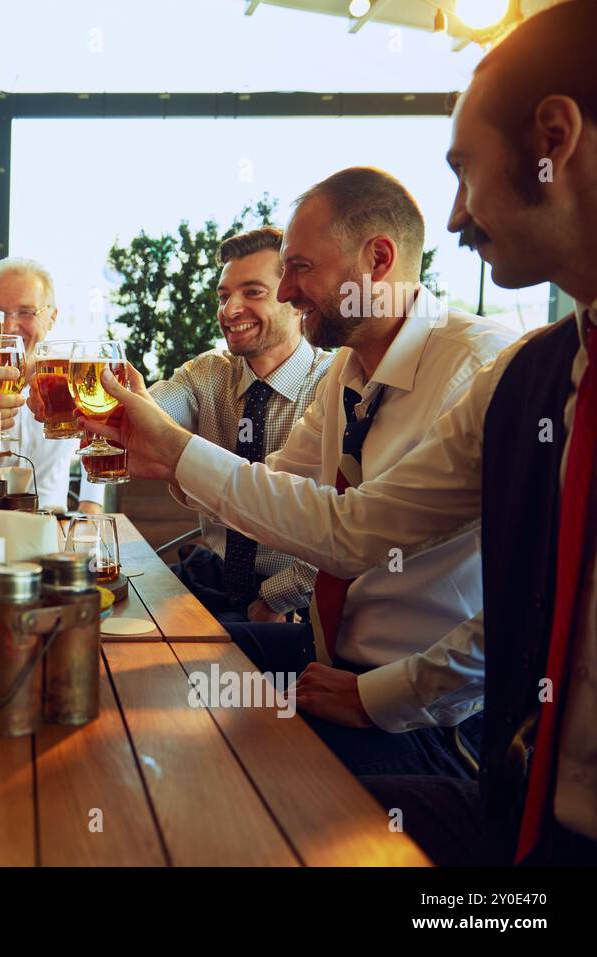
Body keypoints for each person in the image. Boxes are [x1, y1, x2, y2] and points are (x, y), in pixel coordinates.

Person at [82, 167, 516, 779]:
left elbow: (355, 536)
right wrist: (165, 459)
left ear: (378, 259)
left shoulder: (480, 367)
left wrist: (384, 697)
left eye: (299, 268)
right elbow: (280, 494)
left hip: (428, 717)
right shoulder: (347, 371)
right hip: (324, 658)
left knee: (203, 769)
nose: (286, 292)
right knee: (124, 666)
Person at [145, 226, 333, 623]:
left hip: (296, 602)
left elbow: (345, 531)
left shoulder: (333, 384)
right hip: (211, 578)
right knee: (105, 615)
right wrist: (110, 397)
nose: (230, 311)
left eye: (252, 292)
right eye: (224, 295)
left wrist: (275, 599)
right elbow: (151, 412)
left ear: (295, 299)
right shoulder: (207, 373)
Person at [0, 257, 106, 514]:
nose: (9, 326)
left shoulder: (69, 379)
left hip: (48, 528)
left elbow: (100, 435)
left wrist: (91, 503)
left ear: (52, 317)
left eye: (26, 312)